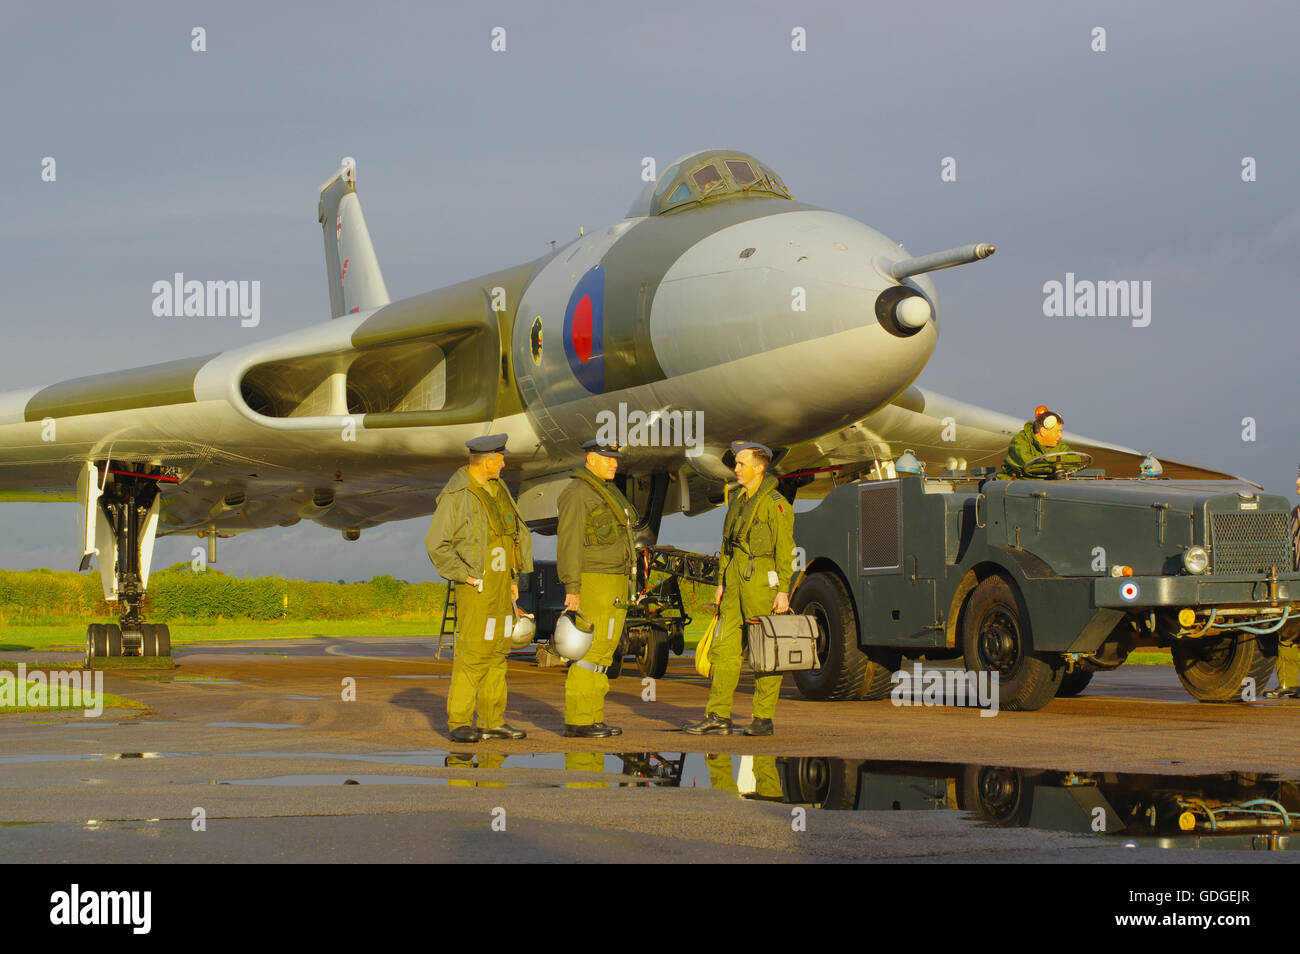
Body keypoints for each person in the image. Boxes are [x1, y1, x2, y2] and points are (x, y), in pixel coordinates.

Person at [425, 434, 533, 743]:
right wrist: (466, 576)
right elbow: (437, 544)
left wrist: (513, 580)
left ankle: (491, 721)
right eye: (500, 458)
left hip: (501, 586)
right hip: (478, 588)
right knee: (474, 654)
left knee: (498, 654)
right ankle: (459, 721)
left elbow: (509, 537)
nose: (504, 462)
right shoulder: (457, 495)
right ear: (486, 460)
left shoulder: (498, 490)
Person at [684, 441, 795, 736]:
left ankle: (763, 718)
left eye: (741, 464)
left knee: (764, 650)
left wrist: (783, 590)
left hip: (762, 582)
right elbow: (727, 545)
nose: (736, 469)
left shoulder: (776, 505)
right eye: (736, 463)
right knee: (724, 652)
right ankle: (719, 716)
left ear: (760, 468)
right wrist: (721, 583)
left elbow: (786, 551)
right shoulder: (737, 502)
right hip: (733, 583)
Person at [557, 438, 638, 739]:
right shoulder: (578, 493)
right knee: (589, 653)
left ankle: (593, 717)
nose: (614, 462)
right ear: (590, 459)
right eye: (607, 458)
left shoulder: (607, 491)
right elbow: (569, 542)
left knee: (604, 653)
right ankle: (579, 719)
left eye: (615, 458)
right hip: (594, 581)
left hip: (614, 581)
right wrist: (572, 586)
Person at [1264, 467, 1300, 698]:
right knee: (1287, 632)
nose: (1297, 482)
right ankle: (1289, 685)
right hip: (1296, 584)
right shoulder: (1296, 512)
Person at [1001, 405, 1074, 478]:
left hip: (1045, 485)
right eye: (1058, 431)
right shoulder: (1019, 441)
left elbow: (1075, 459)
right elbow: (1029, 465)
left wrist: (1055, 465)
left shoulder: (1057, 443)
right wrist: (1055, 465)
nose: (1061, 436)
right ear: (1043, 432)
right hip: (1017, 484)